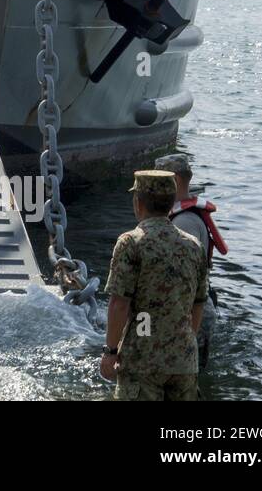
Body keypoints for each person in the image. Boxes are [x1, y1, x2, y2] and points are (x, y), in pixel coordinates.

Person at [101, 170, 208, 401]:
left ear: (138, 203)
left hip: (143, 360)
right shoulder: (194, 245)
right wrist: (185, 341)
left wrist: (110, 352)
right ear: (171, 204)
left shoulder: (131, 242)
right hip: (184, 361)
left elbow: (119, 303)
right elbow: (199, 302)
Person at [156, 152, 228, 367]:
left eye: (157, 181)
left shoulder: (183, 223)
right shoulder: (185, 216)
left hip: (189, 315)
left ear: (175, 180)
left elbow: (179, 277)